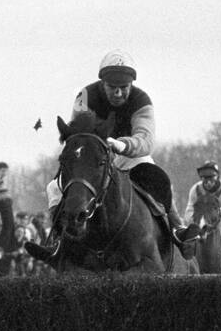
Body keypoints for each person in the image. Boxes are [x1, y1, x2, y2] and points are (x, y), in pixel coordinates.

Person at [27, 50, 196, 262]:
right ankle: (58, 242)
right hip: (96, 157)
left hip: (128, 154)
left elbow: (145, 139)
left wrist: (121, 145)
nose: (118, 93)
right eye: (112, 88)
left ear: (131, 85)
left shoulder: (141, 100)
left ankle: (177, 229)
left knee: (154, 173)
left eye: (123, 88)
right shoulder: (85, 95)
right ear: (102, 83)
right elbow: (79, 132)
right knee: (53, 187)